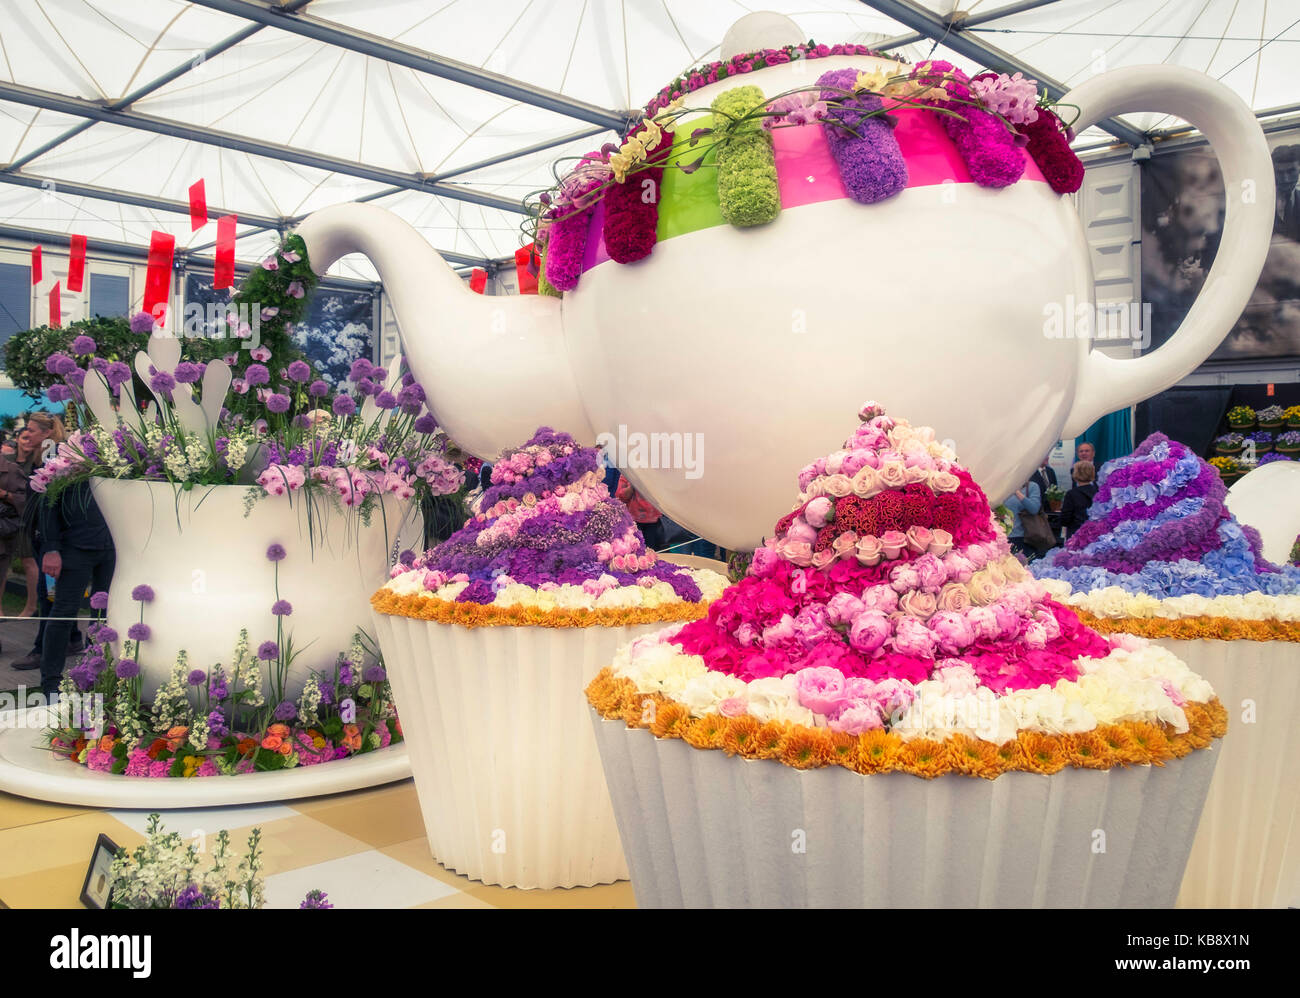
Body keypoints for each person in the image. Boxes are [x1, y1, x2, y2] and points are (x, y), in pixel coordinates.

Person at [30, 480, 115, 700]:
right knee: (63, 613)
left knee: (105, 615)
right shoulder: (65, 464)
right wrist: (51, 548)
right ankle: (51, 682)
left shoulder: (120, 457)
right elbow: (48, 507)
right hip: (74, 548)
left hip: (113, 547)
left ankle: (95, 673)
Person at [615, 474, 664, 550]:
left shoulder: (656, 472)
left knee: (652, 554)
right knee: (635, 552)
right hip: (633, 523)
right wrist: (633, 485)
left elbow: (664, 494)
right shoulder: (628, 473)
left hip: (653, 523)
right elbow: (621, 497)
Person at [1003, 479, 1042, 558]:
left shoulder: (1032, 486)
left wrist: (1017, 492)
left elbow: (1034, 509)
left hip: (1024, 538)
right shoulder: (1002, 486)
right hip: (1003, 538)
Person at [1060, 461, 1098, 538]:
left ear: (1075, 473)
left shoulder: (1071, 494)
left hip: (1076, 534)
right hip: (1094, 534)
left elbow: (1065, 519)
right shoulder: (1098, 492)